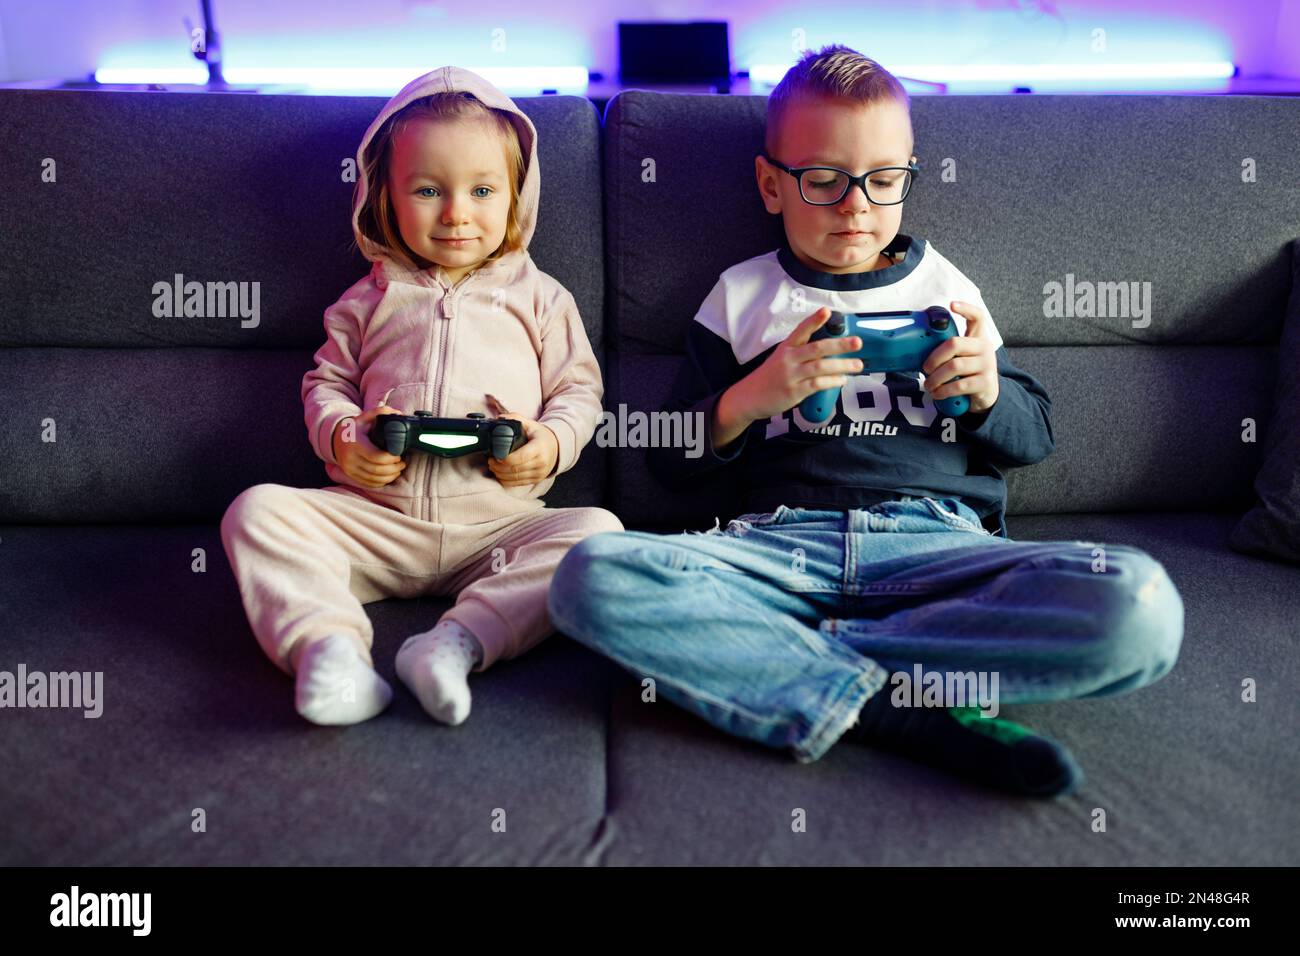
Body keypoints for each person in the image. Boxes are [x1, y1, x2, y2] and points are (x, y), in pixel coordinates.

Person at [548, 45, 1182, 798]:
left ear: (909, 176)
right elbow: (668, 460)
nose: (856, 206)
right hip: (778, 549)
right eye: (824, 181)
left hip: (939, 548)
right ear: (771, 184)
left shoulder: (944, 283)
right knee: (591, 575)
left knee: (1139, 605)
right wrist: (750, 398)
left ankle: (795, 665)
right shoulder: (741, 296)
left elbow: (1034, 436)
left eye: (883, 182)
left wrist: (983, 393)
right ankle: (900, 705)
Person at [221, 66, 622, 728]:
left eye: (483, 190)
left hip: (498, 525)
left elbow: (581, 392)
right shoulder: (365, 302)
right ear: (387, 198)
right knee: (256, 512)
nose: (457, 213)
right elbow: (326, 386)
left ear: (515, 197)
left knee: (599, 534)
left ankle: (454, 644)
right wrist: (347, 440)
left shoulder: (544, 300)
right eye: (429, 190)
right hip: (374, 521)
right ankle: (330, 650)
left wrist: (547, 446)